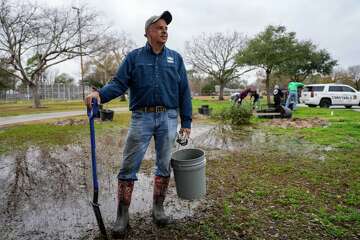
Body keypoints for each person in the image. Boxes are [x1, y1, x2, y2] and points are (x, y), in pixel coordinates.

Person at [85, 11, 192, 238]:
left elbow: (185, 93)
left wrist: (187, 122)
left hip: (168, 118)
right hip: (141, 118)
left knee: (164, 165)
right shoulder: (134, 58)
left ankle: (158, 208)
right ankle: (122, 215)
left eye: (166, 28)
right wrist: (99, 95)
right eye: (159, 27)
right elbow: (118, 84)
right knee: (128, 166)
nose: (164, 30)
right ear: (147, 33)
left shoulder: (176, 58)